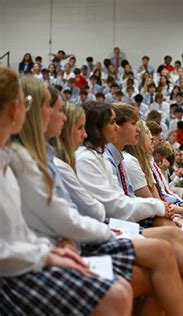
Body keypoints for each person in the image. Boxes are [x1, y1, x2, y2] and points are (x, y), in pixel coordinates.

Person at [0, 67, 133, 316]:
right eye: (49, 106)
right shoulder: (18, 159)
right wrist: (47, 253)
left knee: (122, 289)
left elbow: (19, 231)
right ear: (13, 109)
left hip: (30, 256)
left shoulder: (9, 157)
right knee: (116, 294)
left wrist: (48, 250)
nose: (54, 115)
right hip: (11, 278)